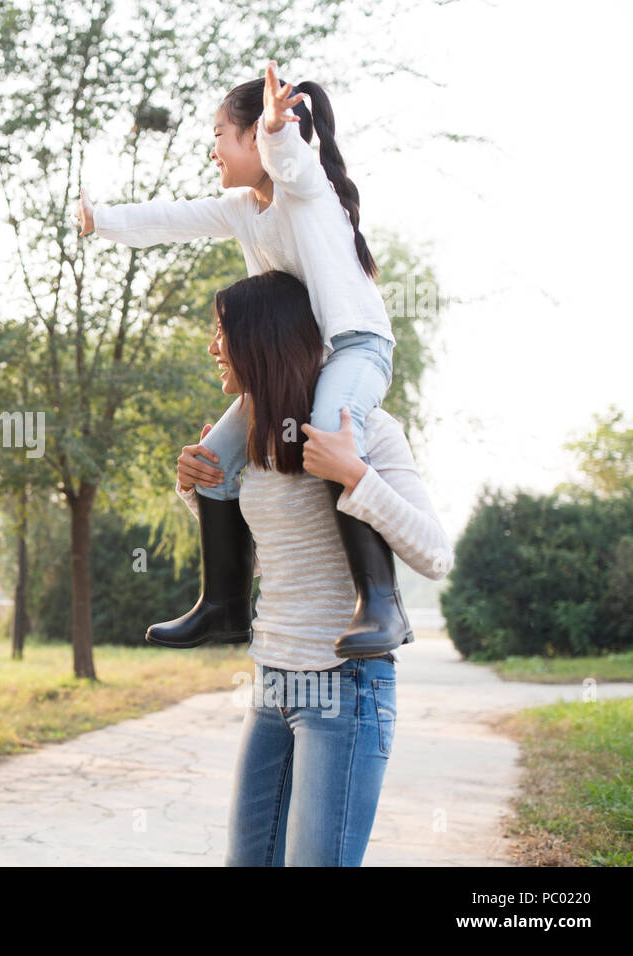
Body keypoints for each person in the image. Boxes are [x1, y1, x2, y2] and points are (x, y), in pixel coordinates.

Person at [77, 63, 406, 658]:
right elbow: (171, 219)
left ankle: (380, 602)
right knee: (212, 463)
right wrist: (102, 221)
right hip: (300, 363)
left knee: (330, 433)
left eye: (221, 136)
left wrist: (280, 130)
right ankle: (224, 607)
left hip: (356, 348)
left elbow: (291, 162)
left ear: (255, 138)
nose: (213, 152)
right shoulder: (240, 208)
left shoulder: (308, 192)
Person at [171, 270, 451, 865]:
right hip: (272, 681)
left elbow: (434, 554)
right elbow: (272, 546)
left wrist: (356, 475)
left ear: (262, 340)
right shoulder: (251, 440)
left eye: (221, 332)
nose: (212, 347)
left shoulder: (365, 429)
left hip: (345, 686)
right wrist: (197, 488)